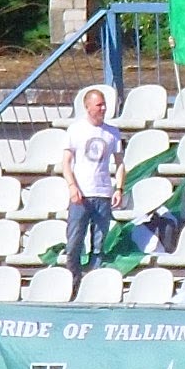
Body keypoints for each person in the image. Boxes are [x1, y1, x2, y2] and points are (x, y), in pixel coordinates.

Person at [60, 87, 124, 278]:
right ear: (88, 107)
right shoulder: (76, 130)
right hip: (81, 194)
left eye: (104, 105)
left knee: (99, 244)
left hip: (103, 193)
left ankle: (93, 279)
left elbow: (120, 163)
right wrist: (72, 186)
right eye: (99, 105)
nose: (103, 108)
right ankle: (73, 279)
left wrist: (119, 188)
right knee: (74, 242)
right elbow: (66, 162)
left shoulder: (112, 132)